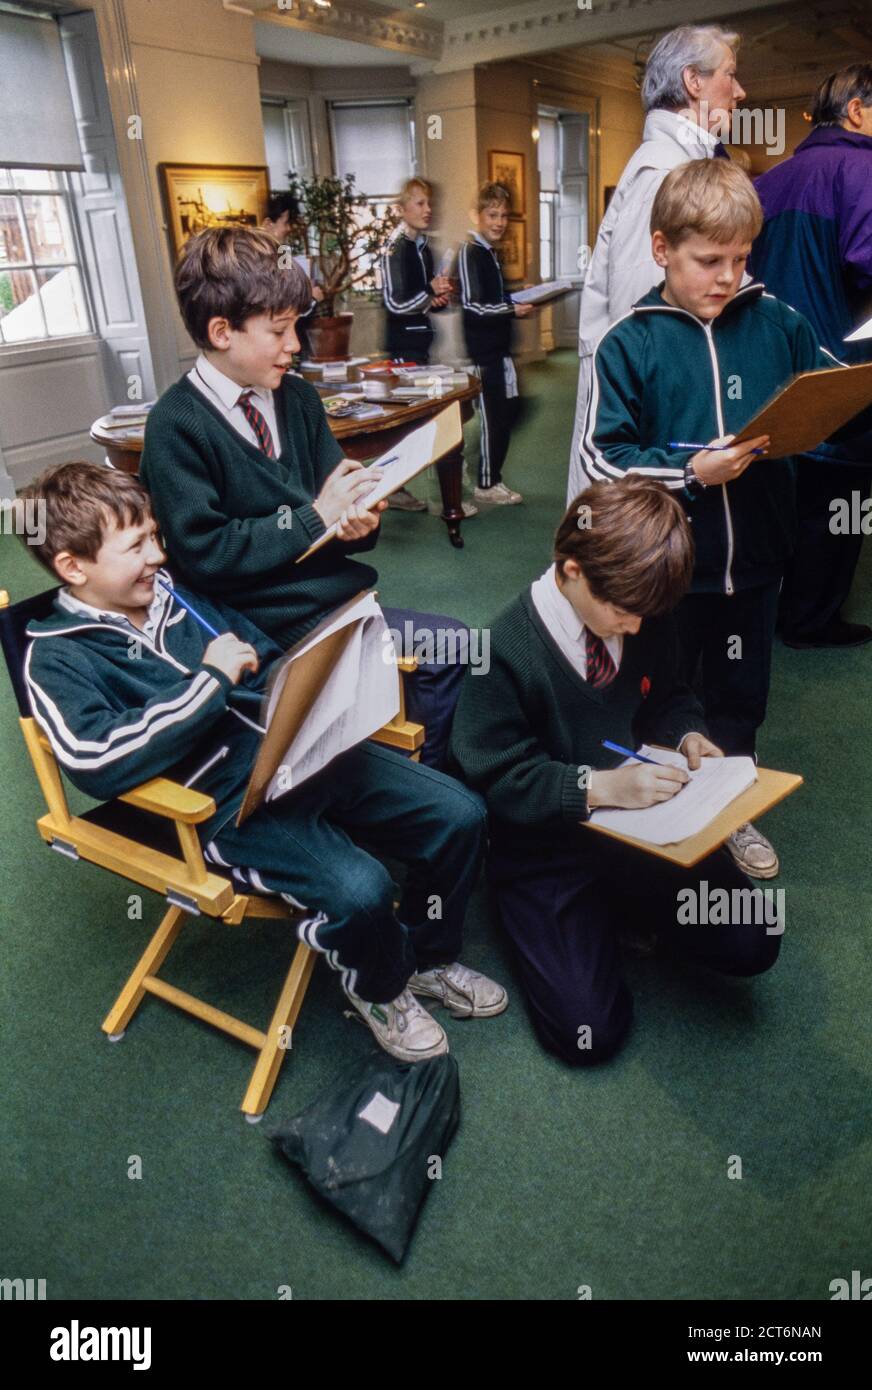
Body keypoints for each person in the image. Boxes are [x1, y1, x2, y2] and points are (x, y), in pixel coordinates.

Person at [20, 463, 506, 1063]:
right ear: (74, 567)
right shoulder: (54, 658)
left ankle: (428, 959)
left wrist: (315, 688)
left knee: (458, 813)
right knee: (360, 890)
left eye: (154, 535)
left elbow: (270, 657)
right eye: (136, 545)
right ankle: (379, 990)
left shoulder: (174, 596)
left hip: (293, 754)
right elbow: (97, 759)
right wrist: (210, 682)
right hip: (223, 805)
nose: (158, 556)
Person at [450, 478, 780, 1066]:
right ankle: (581, 918)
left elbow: (670, 694)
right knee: (589, 1035)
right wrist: (597, 787)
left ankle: (619, 912)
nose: (634, 627)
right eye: (623, 614)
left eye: (645, 616)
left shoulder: (642, 610)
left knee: (754, 938)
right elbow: (496, 777)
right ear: (572, 569)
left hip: (644, 828)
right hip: (545, 848)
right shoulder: (501, 647)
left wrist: (688, 734)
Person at [576, 158, 843, 880]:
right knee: (663, 701)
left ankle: (732, 815)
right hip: (669, 575)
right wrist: (690, 473)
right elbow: (604, 460)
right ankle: (658, 832)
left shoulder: (778, 322)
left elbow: (825, 393)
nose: (726, 277)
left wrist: (825, 410)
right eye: (708, 260)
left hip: (756, 563)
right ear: (662, 249)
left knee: (740, 696)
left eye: (740, 258)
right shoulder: (629, 342)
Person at [139, 226, 468, 770]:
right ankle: (426, 792)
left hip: (333, 600)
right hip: (257, 623)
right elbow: (207, 554)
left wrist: (359, 521)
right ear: (222, 331)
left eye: (296, 326)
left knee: (455, 648)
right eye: (280, 331)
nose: (296, 345)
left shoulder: (296, 397)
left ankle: (425, 787)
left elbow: (332, 508)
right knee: (450, 646)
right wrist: (319, 517)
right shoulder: (175, 425)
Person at [567, 24, 746, 502]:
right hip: (650, 424)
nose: (740, 91)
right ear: (694, 82)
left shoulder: (678, 163)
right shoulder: (663, 171)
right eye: (730, 75)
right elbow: (638, 318)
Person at [751, 64, 872, 648]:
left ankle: (775, 608)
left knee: (785, 493)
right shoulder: (864, 168)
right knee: (842, 499)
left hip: (767, 370)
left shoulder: (771, 180)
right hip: (842, 372)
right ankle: (812, 619)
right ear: (855, 111)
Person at [457, 181, 534, 507]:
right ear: (477, 215)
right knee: (491, 421)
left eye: (503, 215)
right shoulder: (470, 253)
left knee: (503, 415)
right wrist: (510, 308)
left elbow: (491, 297)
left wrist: (517, 293)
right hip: (482, 353)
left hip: (500, 351)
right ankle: (486, 483)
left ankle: (472, 465)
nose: (499, 221)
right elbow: (473, 306)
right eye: (492, 214)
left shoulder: (490, 254)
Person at [379, 177, 451, 512]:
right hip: (403, 348)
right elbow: (394, 304)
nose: (428, 209)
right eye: (420, 203)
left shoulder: (422, 246)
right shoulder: (395, 247)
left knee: (418, 420)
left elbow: (419, 299)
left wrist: (433, 300)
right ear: (402, 208)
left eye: (429, 203)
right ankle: (393, 489)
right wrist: (428, 294)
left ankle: (399, 487)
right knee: (406, 422)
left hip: (420, 344)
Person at [261, 191, 323, 359]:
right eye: (286, 223)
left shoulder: (283, 251)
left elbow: (290, 291)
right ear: (268, 224)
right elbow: (284, 304)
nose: (289, 229)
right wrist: (312, 298)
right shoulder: (257, 258)